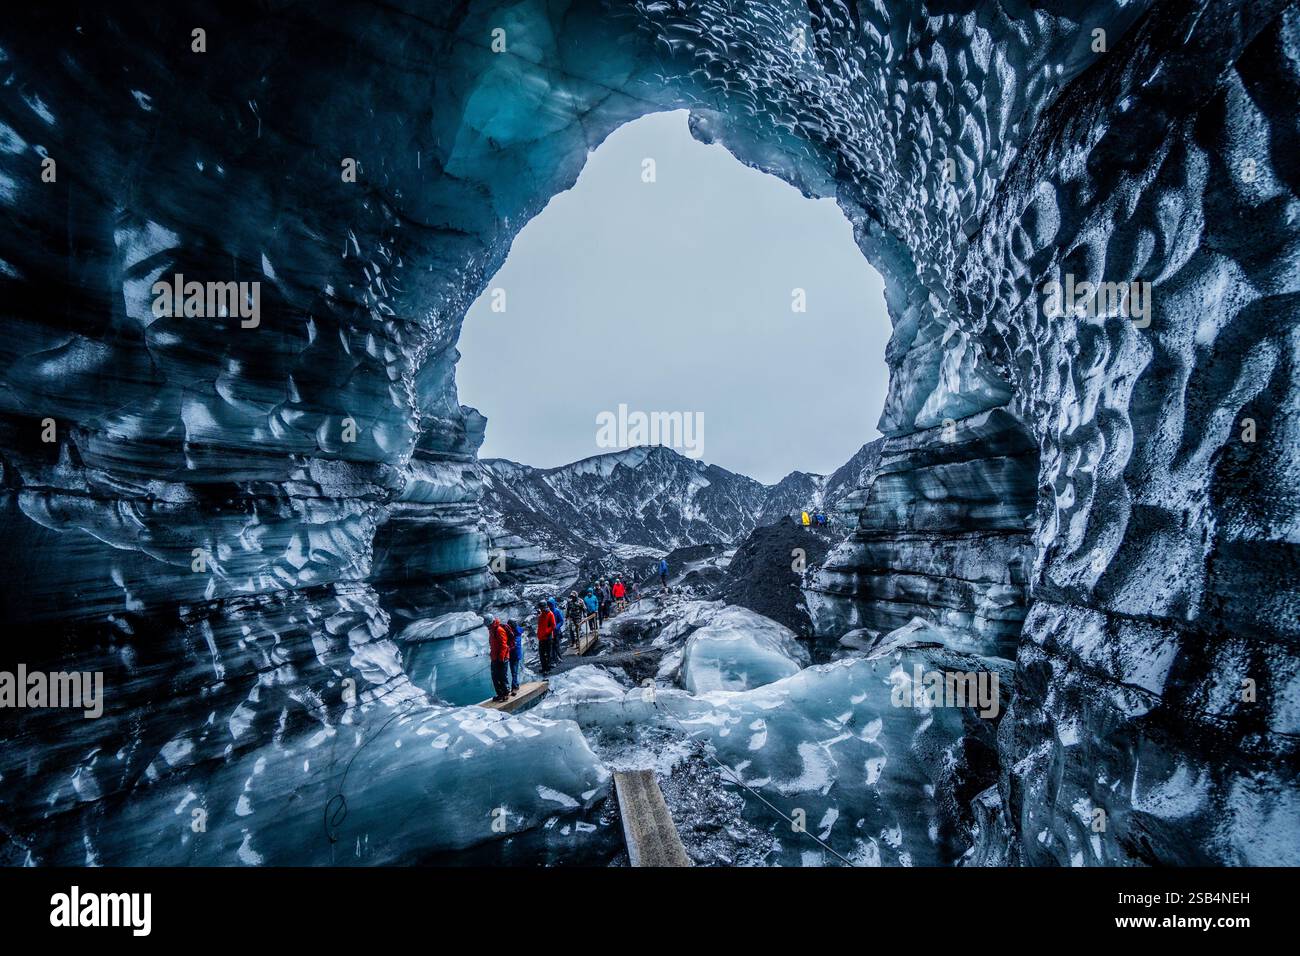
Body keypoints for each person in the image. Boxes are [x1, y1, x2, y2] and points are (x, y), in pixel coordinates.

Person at [487, 616, 512, 702]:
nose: (486, 626)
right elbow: (493, 644)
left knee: (502, 676)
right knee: (495, 677)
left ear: (490, 622)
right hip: (495, 658)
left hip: (502, 658)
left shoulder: (499, 630)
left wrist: (501, 658)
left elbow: (504, 646)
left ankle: (505, 694)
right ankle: (500, 694)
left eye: (487, 624)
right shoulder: (491, 629)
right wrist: (492, 655)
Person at [536, 600, 556, 674]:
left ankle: (547, 669)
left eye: (541, 607)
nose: (540, 609)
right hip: (541, 637)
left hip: (548, 637)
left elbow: (553, 625)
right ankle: (544, 668)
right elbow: (540, 626)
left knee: (548, 653)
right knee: (541, 654)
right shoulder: (541, 615)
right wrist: (539, 634)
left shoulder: (550, 614)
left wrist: (546, 632)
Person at [506, 618, 523, 693]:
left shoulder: (515, 633)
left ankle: (515, 687)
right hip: (513, 654)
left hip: (514, 654)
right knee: (514, 671)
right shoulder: (516, 631)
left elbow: (514, 644)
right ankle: (515, 685)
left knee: (514, 671)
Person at [547, 597, 565, 663]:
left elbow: (561, 621)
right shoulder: (548, 612)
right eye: (548, 604)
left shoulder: (557, 611)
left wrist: (556, 627)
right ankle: (553, 659)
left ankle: (559, 658)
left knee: (557, 645)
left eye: (550, 604)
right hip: (549, 632)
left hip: (556, 631)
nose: (549, 605)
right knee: (551, 646)